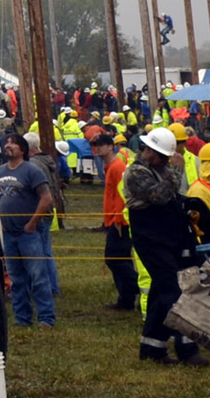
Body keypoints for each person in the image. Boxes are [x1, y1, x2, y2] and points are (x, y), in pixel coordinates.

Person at [126, 126, 208, 366]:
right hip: (151, 241)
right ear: (149, 151)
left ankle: (152, 348)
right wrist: (176, 171)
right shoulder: (136, 173)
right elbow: (159, 196)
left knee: (160, 294)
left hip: (167, 239)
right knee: (174, 292)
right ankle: (187, 348)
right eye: (161, 156)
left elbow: (172, 198)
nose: (163, 161)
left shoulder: (159, 170)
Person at [0, 134, 54, 327]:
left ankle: (46, 318)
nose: (7, 146)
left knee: (38, 277)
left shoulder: (32, 171)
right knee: (16, 279)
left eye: (12, 143)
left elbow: (46, 198)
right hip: (9, 234)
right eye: (6, 143)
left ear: (23, 150)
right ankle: (22, 318)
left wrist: (32, 223)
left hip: (29, 234)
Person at [91, 130, 140, 313]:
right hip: (114, 220)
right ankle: (126, 298)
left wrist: (118, 218)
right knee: (120, 259)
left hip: (119, 222)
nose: (97, 149)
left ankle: (137, 288)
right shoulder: (111, 166)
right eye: (96, 146)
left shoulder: (117, 166)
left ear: (111, 146)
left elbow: (121, 195)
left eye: (101, 145)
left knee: (115, 259)